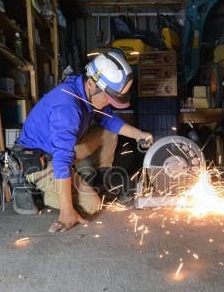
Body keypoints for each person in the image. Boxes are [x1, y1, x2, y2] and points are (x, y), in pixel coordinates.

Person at [14, 49, 153, 233]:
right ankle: (35, 189)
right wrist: (66, 212)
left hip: (60, 149)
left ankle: (103, 179)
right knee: (92, 205)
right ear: (91, 84)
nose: (109, 103)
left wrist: (139, 134)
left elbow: (108, 119)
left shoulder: (83, 87)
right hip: (39, 160)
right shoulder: (67, 108)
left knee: (108, 131)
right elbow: (61, 160)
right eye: (108, 98)